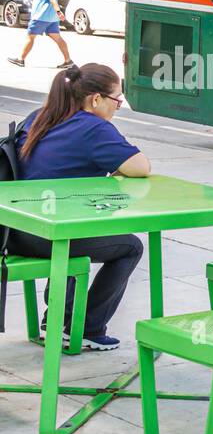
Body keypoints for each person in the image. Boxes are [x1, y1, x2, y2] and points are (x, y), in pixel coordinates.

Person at [9, 64, 151, 351]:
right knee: (130, 246)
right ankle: (89, 328)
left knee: (77, 227)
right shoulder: (94, 128)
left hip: (11, 231)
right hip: (44, 236)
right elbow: (141, 167)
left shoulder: (39, 116)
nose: (118, 107)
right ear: (96, 99)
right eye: (117, 100)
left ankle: (59, 318)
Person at [8, 0, 73, 69]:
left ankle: (21, 59)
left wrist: (58, 11)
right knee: (58, 38)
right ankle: (68, 60)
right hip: (51, 18)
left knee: (30, 37)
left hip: (41, 16)